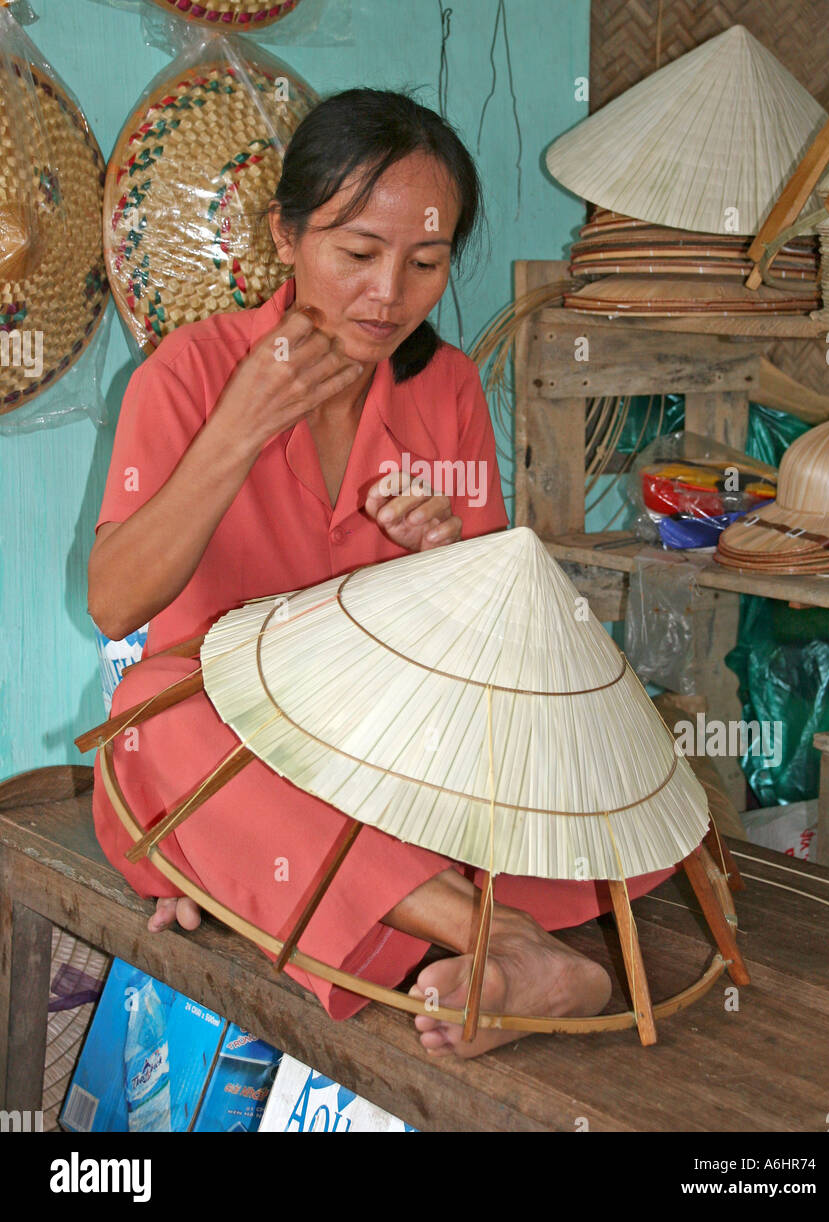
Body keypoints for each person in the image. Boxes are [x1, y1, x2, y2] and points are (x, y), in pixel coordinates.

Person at [88, 88, 672, 1060]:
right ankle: (507, 941)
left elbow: (498, 640)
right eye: (355, 252)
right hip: (226, 743)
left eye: (425, 262)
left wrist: (446, 558)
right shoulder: (187, 375)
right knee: (154, 708)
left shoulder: (441, 388)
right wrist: (236, 429)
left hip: (392, 759)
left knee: (600, 760)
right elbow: (114, 602)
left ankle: (292, 879)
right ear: (284, 235)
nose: (385, 294)